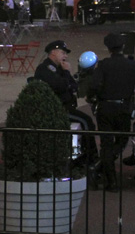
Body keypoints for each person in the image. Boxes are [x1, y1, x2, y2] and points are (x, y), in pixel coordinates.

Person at [89, 33, 135, 192]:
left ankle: (110, 179)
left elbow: (94, 86)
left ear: (109, 48)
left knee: (106, 143)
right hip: (124, 109)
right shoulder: (132, 65)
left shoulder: (103, 65)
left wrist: (93, 98)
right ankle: (104, 164)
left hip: (105, 108)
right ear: (123, 47)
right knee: (122, 139)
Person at [33, 40, 97, 173]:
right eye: (62, 52)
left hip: (67, 106)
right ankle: (91, 158)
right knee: (86, 122)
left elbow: (73, 87)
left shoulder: (59, 69)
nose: (65, 56)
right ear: (53, 53)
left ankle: (85, 155)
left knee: (86, 122)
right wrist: (67, 73)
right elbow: (61, 86)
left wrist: (67, 77)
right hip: (58, 108)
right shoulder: (45, 69)